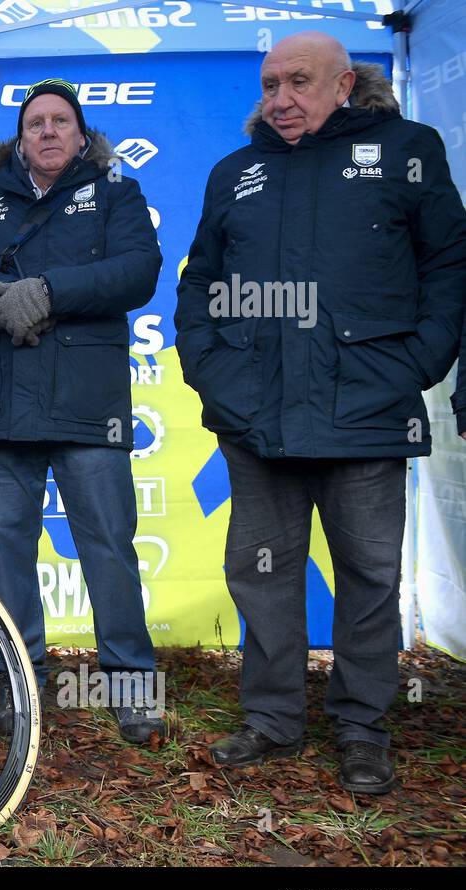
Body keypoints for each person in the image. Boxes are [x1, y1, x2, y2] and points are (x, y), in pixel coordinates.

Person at [174, 33, 466, 794]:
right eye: (270, 84)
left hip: (367, 409)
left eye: (298, 82)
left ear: (345, 84)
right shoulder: (236, 171)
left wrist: (417, 361)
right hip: (255, 415)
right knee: (262, 572)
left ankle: (362, 726)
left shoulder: (407, 148)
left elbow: (449, 263)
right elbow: (199, 282)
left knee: (369, 575)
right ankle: (271, 718)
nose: (280, 99)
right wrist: (213, 376)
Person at [0, 78, 165, 743]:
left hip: (87, 408)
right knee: (8, 551)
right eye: (34, 123)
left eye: (59, 121)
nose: (46, 131)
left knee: (108, 547)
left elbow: (139, 271)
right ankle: (23, 682)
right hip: (1, 405)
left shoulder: (117, 195)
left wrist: (47, 290)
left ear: (81, 134)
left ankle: (131, 688)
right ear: (18, 138)